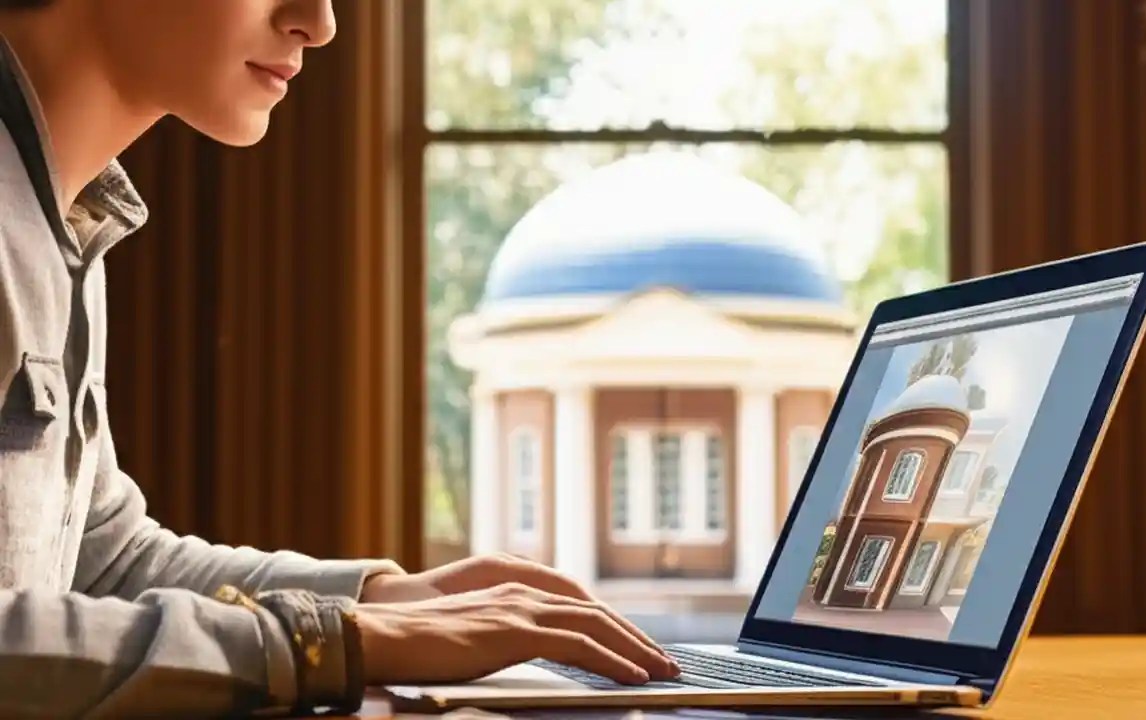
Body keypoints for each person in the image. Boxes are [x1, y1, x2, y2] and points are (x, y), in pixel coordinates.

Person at [0, 0, 680, 716]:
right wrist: (328, 641)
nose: (318, 22)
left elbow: (103, 563)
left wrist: (388, 600)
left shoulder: (67, 220)